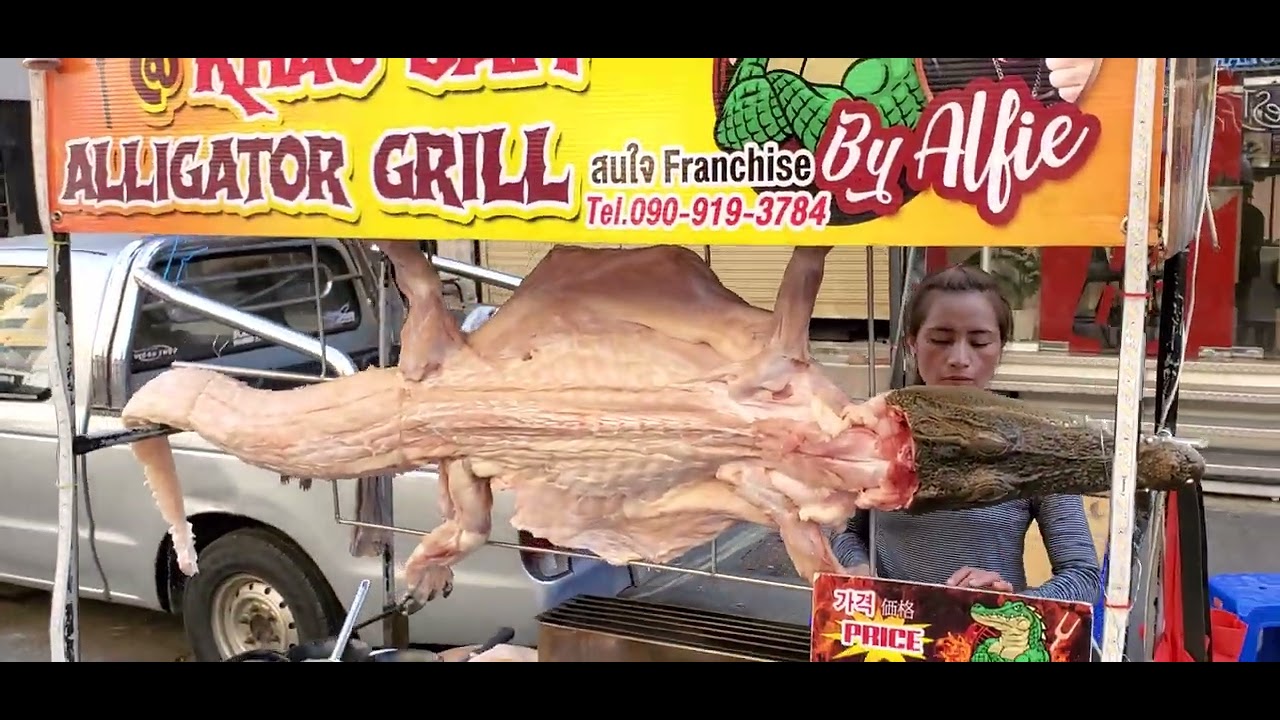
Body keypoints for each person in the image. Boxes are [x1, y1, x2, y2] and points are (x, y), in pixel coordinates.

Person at [832, 264, 1102, 604]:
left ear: (1001, 346)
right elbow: (842, 531)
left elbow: (1082, 575)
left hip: (987, 641)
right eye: (941, 340)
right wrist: (857, 568)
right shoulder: (875, 430)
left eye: (979, 341)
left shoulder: (1042, 443)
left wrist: (1011, 601)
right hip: (888, 637)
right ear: (913, 342)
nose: (959, 359)